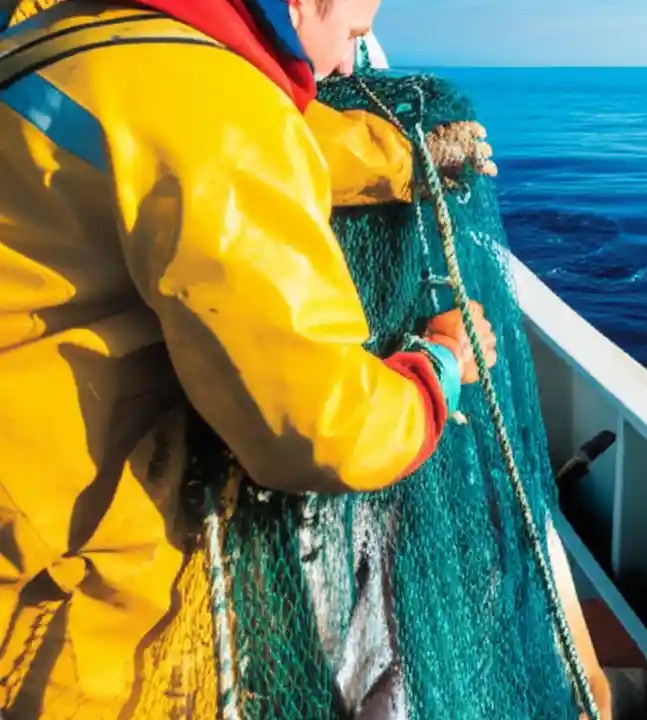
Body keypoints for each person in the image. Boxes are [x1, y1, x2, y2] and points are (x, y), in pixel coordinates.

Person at [0, 0, 510, 715]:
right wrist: (439, 370)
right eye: (352, 37)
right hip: (38, 600)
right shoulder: (210, 104)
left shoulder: (90, 38)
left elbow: (252, 133)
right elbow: (315, 425)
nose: (339, 68)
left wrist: (400, 160)